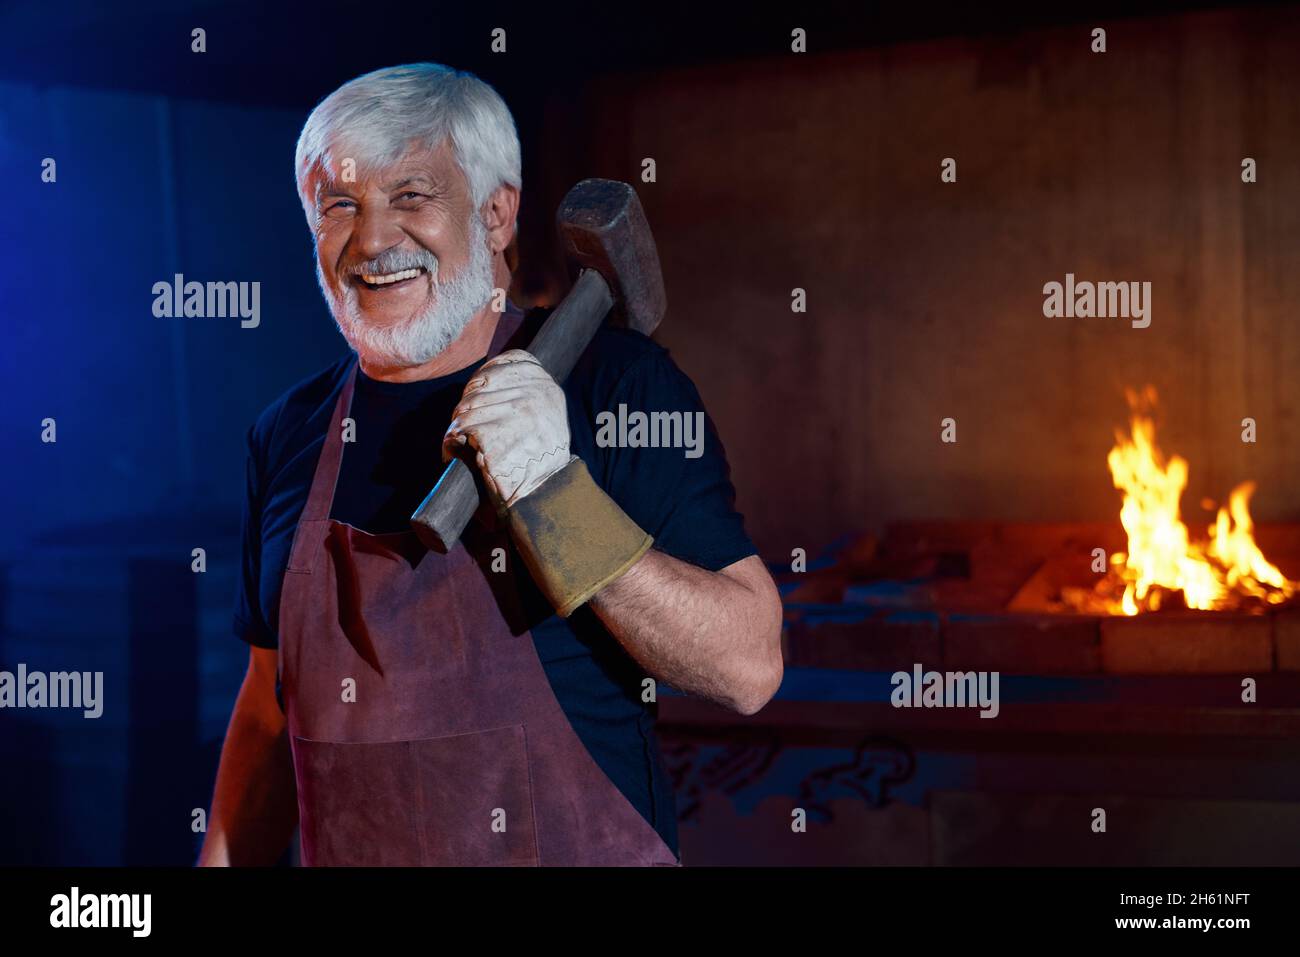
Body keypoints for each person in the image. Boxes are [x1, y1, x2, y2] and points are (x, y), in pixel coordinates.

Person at [198, 63, 783, 867]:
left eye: (411, 196)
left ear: (497, 212)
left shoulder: (615, 384)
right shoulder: (287, 432)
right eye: (340, 205)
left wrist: (553, 495)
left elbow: (748, 664)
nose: (372, 240)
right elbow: (268, 708)